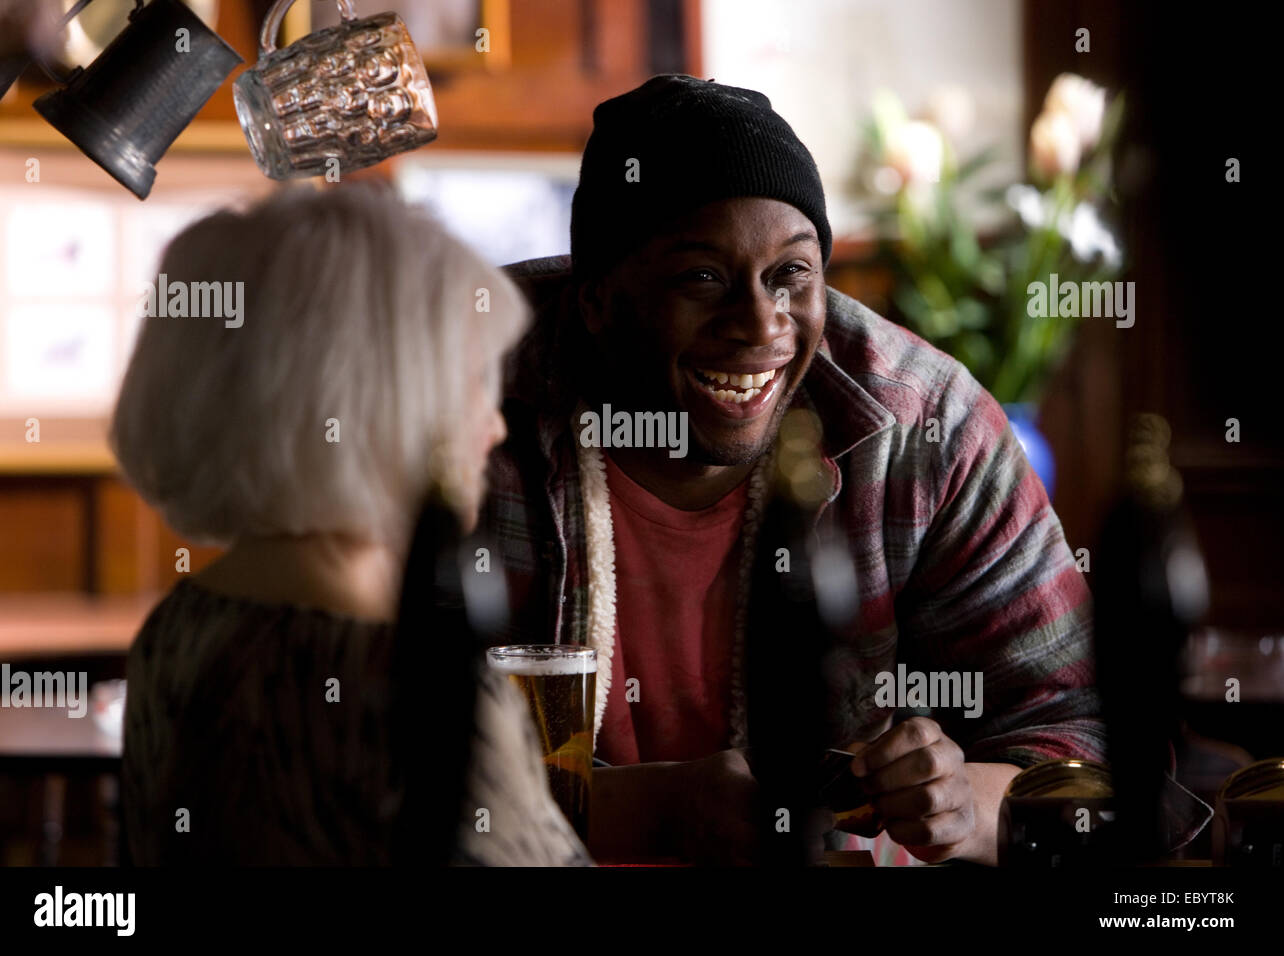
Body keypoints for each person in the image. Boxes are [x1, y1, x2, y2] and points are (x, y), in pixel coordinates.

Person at [480, 75, 1106, 866]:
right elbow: (344, 746)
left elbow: (1088, 733)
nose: (760, 323)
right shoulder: (462, 401)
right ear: (598, 299)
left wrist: (968, 804)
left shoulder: (923, 425)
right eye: (701, 277)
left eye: (792, 275)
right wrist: (637, 814)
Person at [113, 183, 588, 866]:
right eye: (470, 386)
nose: (494, 426)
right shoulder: (420, 686)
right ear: (378, 407)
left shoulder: (179, 626)